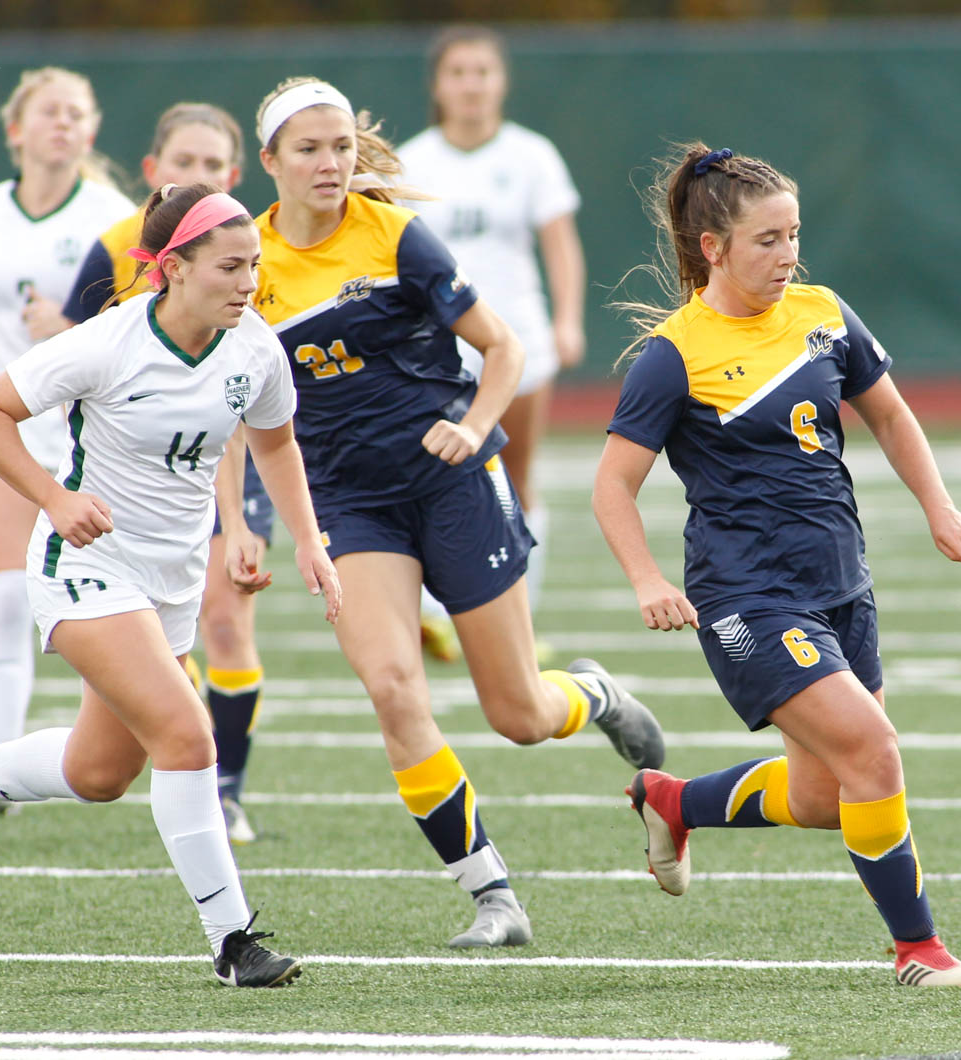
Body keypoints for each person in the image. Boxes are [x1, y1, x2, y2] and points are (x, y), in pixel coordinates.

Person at [248, 77, 664, 948]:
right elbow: (232, 411)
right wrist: (246, 524)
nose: (330, 164)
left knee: (519, 716)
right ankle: (492, 896)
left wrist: (472, 426)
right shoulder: (245, 262)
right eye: (308, 150)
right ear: (270, 163)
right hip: (349, 504)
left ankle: (591, 694)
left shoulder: (395, 235)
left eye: (340, 147)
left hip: (453, 484)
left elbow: (503, 347)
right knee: (393, 687)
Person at [0, 182, 339, 988]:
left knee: (100, 775)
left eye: (255, 266)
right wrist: (56, 500)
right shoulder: (107, 341)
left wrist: (306, 542)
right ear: (171, 268)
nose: (249, 282)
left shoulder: (254, 348)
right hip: (86, 572)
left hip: (171, 581)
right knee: (188, 735)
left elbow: (274, 444)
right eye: (231, 267)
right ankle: (233, 943)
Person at [592, 143, 961, 988]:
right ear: (714, 249)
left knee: (823, 797)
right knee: (875, 754)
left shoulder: (820, 312)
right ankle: (917, 951)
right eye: (767, 241)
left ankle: (671, 801)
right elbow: (612, 487)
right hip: (746, 596)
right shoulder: (675, 355)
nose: (787, 257)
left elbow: (889, 415)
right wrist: (646, 579)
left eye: (793, 236)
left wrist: (941, 510)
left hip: (840, 585)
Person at [58, 101, 273, 845]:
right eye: (185, 164)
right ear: (154, 173)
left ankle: (229, 785)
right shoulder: (114, 255)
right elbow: (59, 370)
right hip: (120, 507)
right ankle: (231, 931)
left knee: (225, 622)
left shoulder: (242, 257)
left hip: (213, 472)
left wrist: (242, 516)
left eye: (214, 167)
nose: (199, 177)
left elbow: (239, 398)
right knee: (112, 758)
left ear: (237, 177)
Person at [0, 67, 136, 810]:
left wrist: (72, 329)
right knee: (8, 598)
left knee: (101, 604)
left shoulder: (114, 214)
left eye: (77, 113)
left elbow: (139, 321)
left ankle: (95, 743)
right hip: (4, 427)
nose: (64, 125)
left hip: (86, 436)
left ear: (92, 128)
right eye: (49, 113)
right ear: (15, 130)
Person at [396, 25, 588, 624]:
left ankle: (521, 618)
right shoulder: (413, 161)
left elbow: (561, 247)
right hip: (436, 351)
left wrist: (568, 321)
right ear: (437, 85)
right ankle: (434, 616)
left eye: (482, 71)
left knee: (515, 476)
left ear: (501, 81)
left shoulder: (531, 156)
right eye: (458, 72)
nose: (471, 85)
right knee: (430, 474)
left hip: (517, 340)